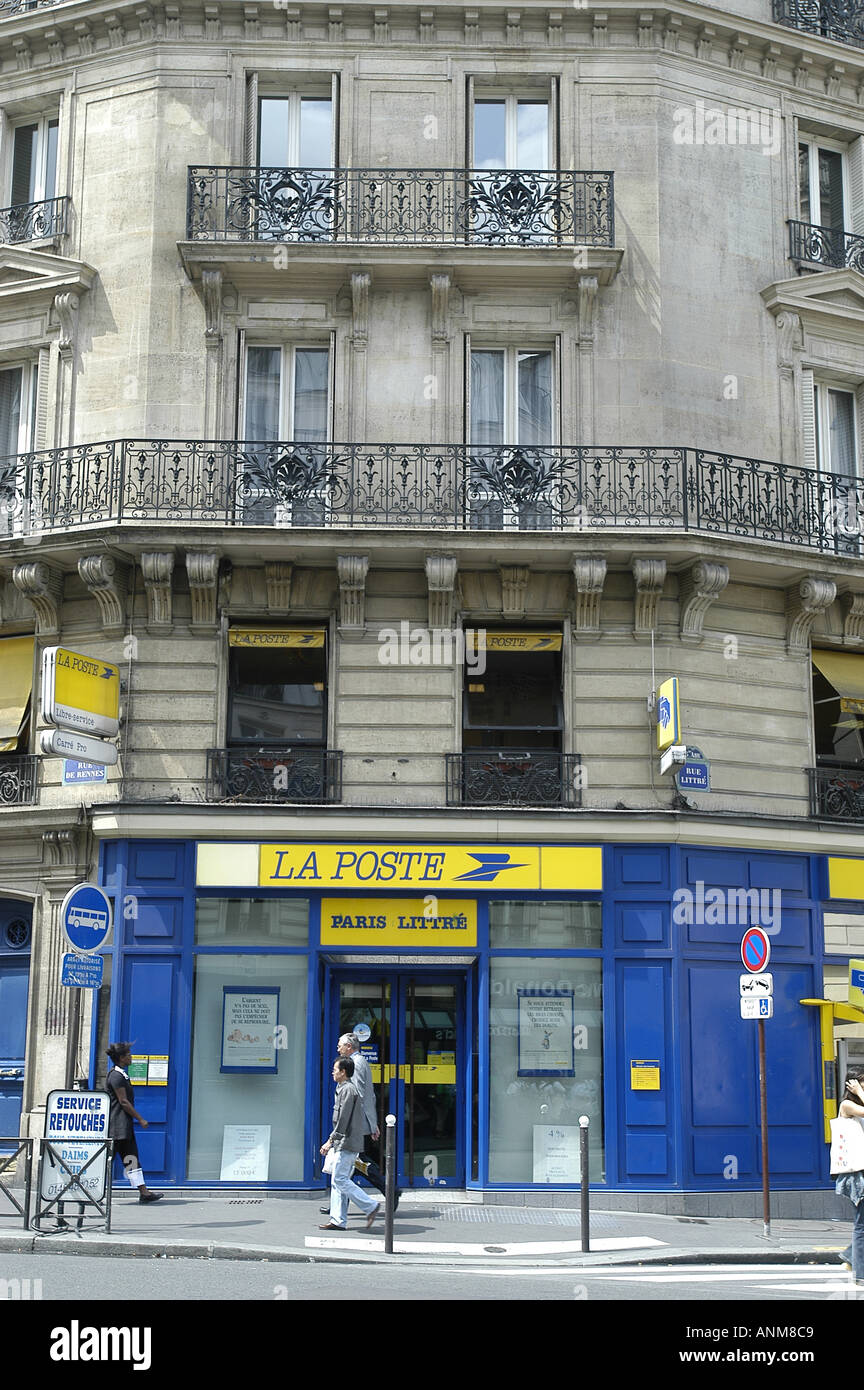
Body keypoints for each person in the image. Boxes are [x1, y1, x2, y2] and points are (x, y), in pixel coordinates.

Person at [319, 1057, 382, 1231]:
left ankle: (370, 1206)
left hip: (347, 1143)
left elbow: (343, 1119)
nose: (332, 1072)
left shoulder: (348, 1090)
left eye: (335, 1069)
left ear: (343, 1072)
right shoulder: (343, 1089)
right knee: (337, 1180)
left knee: (340, 1179)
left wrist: (330, 1142)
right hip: (345, 1142)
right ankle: (338, 1220)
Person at [105, 1042, 163, 1204]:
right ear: (122, 1058)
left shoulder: (121, 1074)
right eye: (129, 1054)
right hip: (116, 1126)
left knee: (131, 1158)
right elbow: (123, 1102)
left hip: (123, 1125)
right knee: (106, 1160)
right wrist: (141, 1118)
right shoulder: (116, 1076)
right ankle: (90, 1190)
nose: (131, 1057)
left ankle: (144, 1192)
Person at [836, 1068, 864, 1287]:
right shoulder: (847, 1106)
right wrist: (858, 1092)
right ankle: (861, 1275)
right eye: (862, 1083)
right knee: (861, 1224)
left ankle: (850, 1256)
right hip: (858, 1174)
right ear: (851, 1085)